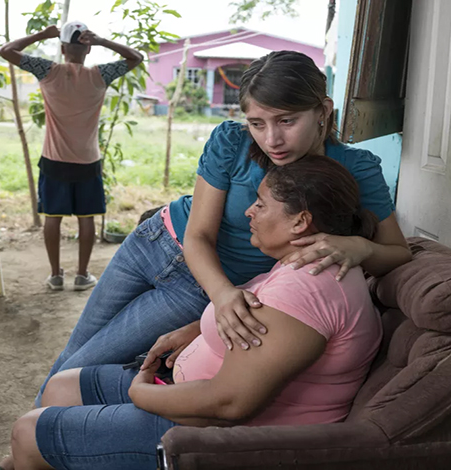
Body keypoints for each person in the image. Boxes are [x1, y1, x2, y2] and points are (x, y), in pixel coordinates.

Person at [33, 50, 411, 405]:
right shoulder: (233, 143)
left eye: (287, 121)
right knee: (72, 353)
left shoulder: (356, 168)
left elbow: (397, 251)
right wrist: (223, 296)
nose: (272, 140)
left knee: (81, 368)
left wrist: (360, 249)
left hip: (199, 287)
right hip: (155, 244)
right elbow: (198, 235)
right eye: (257, 123)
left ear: (323, 111)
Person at [0, 155, 383, 470]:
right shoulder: (298, 266)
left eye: (261, 203)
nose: (249, 211)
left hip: (218, 434)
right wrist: (195, 331)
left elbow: (228, 403)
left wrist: (141, 394)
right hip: (192, 397)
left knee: (27, 432)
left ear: (300, 221)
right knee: (62, 386)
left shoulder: (306, 285)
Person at [0, 22, 143, 291]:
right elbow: (136, 57)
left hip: (54, 160)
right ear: (87, 49)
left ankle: (55, 275)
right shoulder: (100, 75)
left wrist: (41, 34)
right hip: (88, 160)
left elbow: (6, 50)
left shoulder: (48, 71)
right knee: (85, 218)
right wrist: (102, 41)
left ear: (63, 48)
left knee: (52, 218)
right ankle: (82, 275)